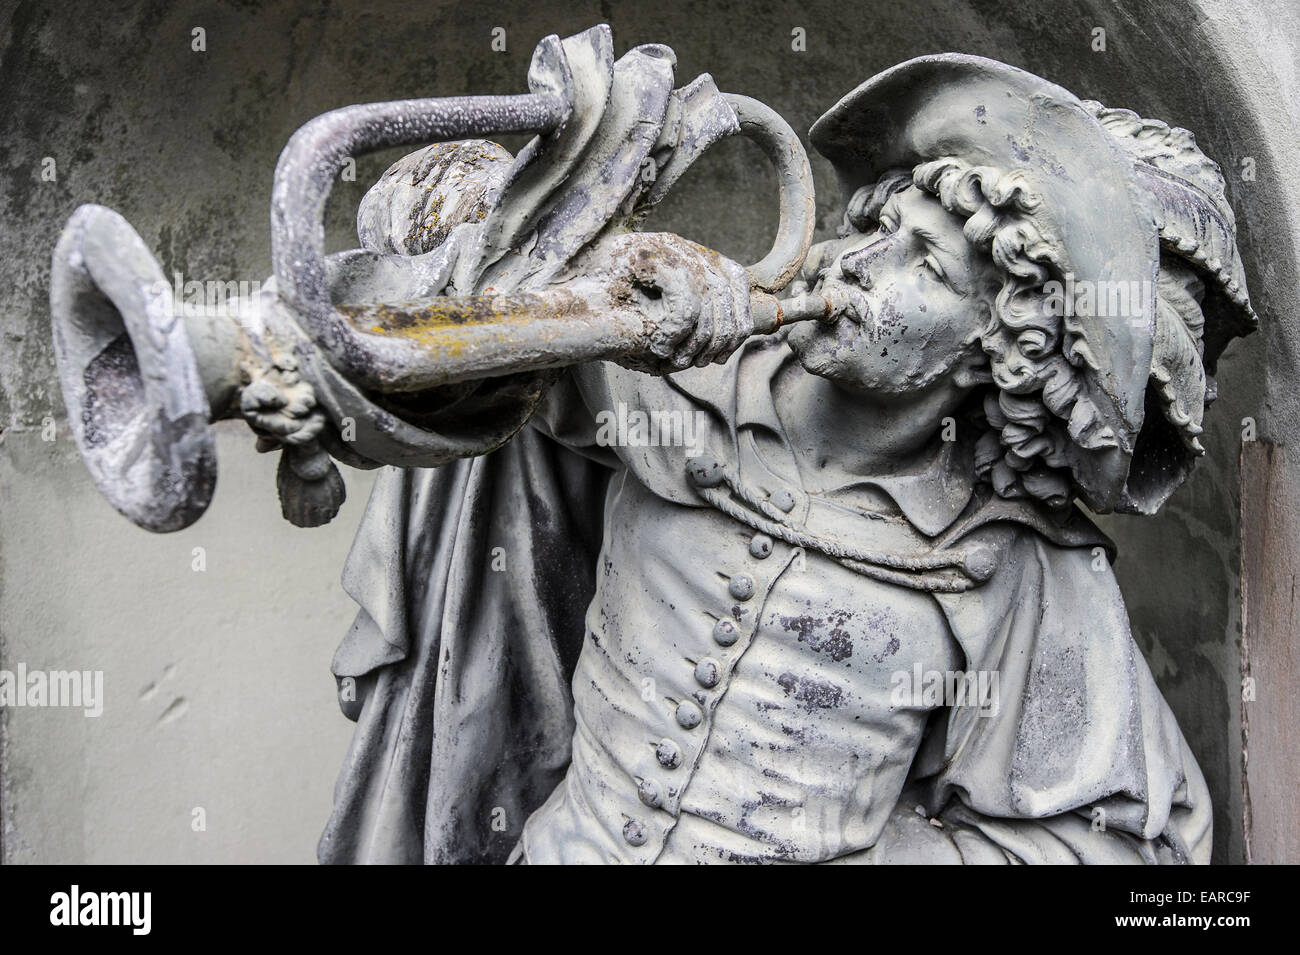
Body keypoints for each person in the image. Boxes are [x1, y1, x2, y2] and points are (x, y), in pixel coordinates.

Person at [317, 52, 1255, 865]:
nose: (855, 262)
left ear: (1000, 353)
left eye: (920, 265)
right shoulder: (682, 392)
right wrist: (587, 247)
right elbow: (430, 271)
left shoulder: (1009, 566)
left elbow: (1122, 845)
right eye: (880, 228)